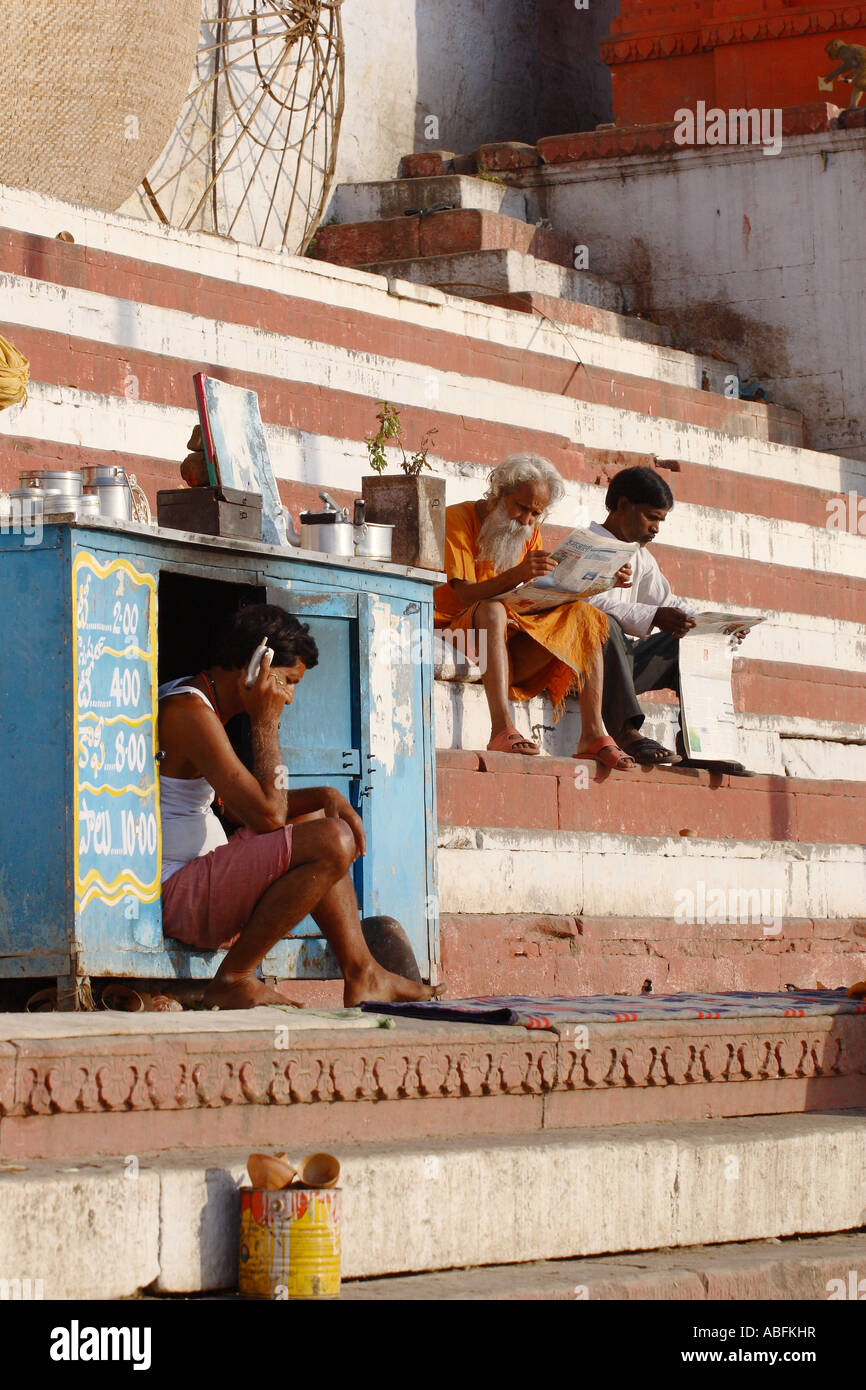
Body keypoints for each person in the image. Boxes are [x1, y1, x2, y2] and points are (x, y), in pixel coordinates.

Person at [157, 602, 438, 1010]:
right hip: (181, 896)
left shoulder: (208, 707)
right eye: (286, 681)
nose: (287, 699)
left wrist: (324, 796)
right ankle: (233, 978)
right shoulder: (188, 711)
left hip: (204, 881)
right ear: (256, 666)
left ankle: (363, 973)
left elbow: (241, 810)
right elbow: (268, 816)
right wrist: (264, 722)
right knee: (330, 839)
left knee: (312, 819)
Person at [434, 453, 634, 768]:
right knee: (492, 610)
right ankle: (501, 728)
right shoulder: (456, 521)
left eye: (536, 513)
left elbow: (539, 594)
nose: (527, 520)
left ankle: (593, 733)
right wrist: (518, 575)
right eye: (521, 508)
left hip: (508, 638)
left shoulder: (529, 531)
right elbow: (464, 596)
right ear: (498, 493)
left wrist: (604, 580)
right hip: (458, 629)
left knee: (589, 616)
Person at [588, 465, 752, 775]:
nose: (656, 529)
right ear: (623, 506)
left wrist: (714, 628)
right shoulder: (585, 544)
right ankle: (626, 732)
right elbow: (583, 604)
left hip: (620, 667)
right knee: (602, 623)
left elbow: (667, 602)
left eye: (660, 521)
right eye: (651, 517)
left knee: (688, 640)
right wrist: (654, 616)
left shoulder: (641, 557)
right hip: (582, 666)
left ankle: (699, 744)